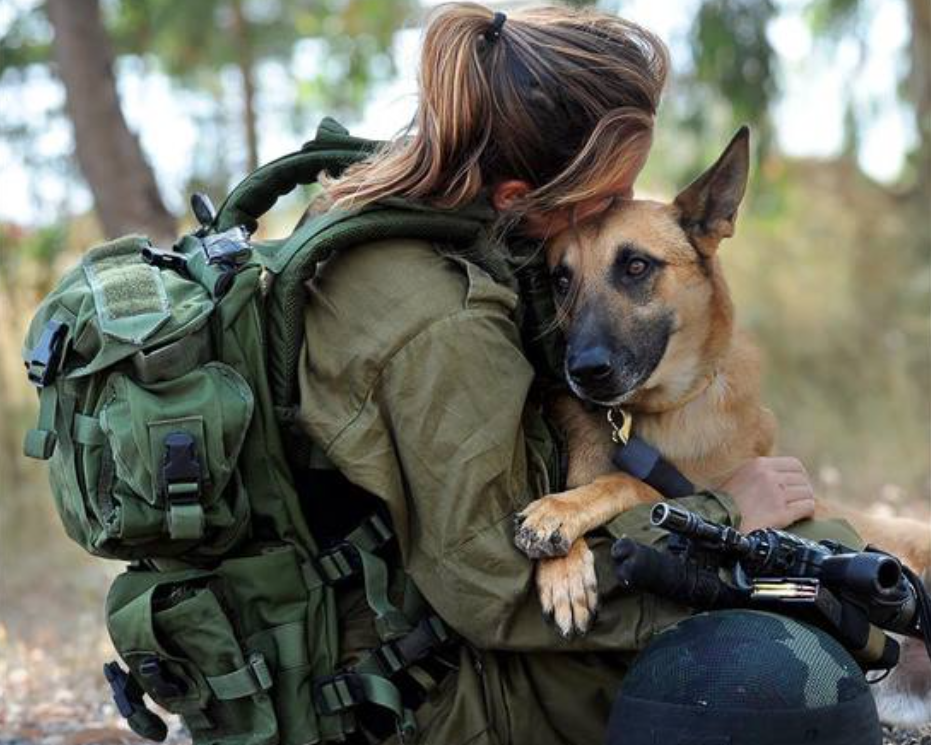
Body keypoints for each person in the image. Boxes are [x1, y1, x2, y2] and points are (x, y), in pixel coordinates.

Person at [296, 4, 863, 743]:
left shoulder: (450, 231)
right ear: (519, 195)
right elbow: (494, 588)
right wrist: (725, 518)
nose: (624, 206)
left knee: (830, 549)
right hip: (423, 695)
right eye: (608, 192)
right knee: (791, 661)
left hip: (419, 642)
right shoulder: (438, 319)